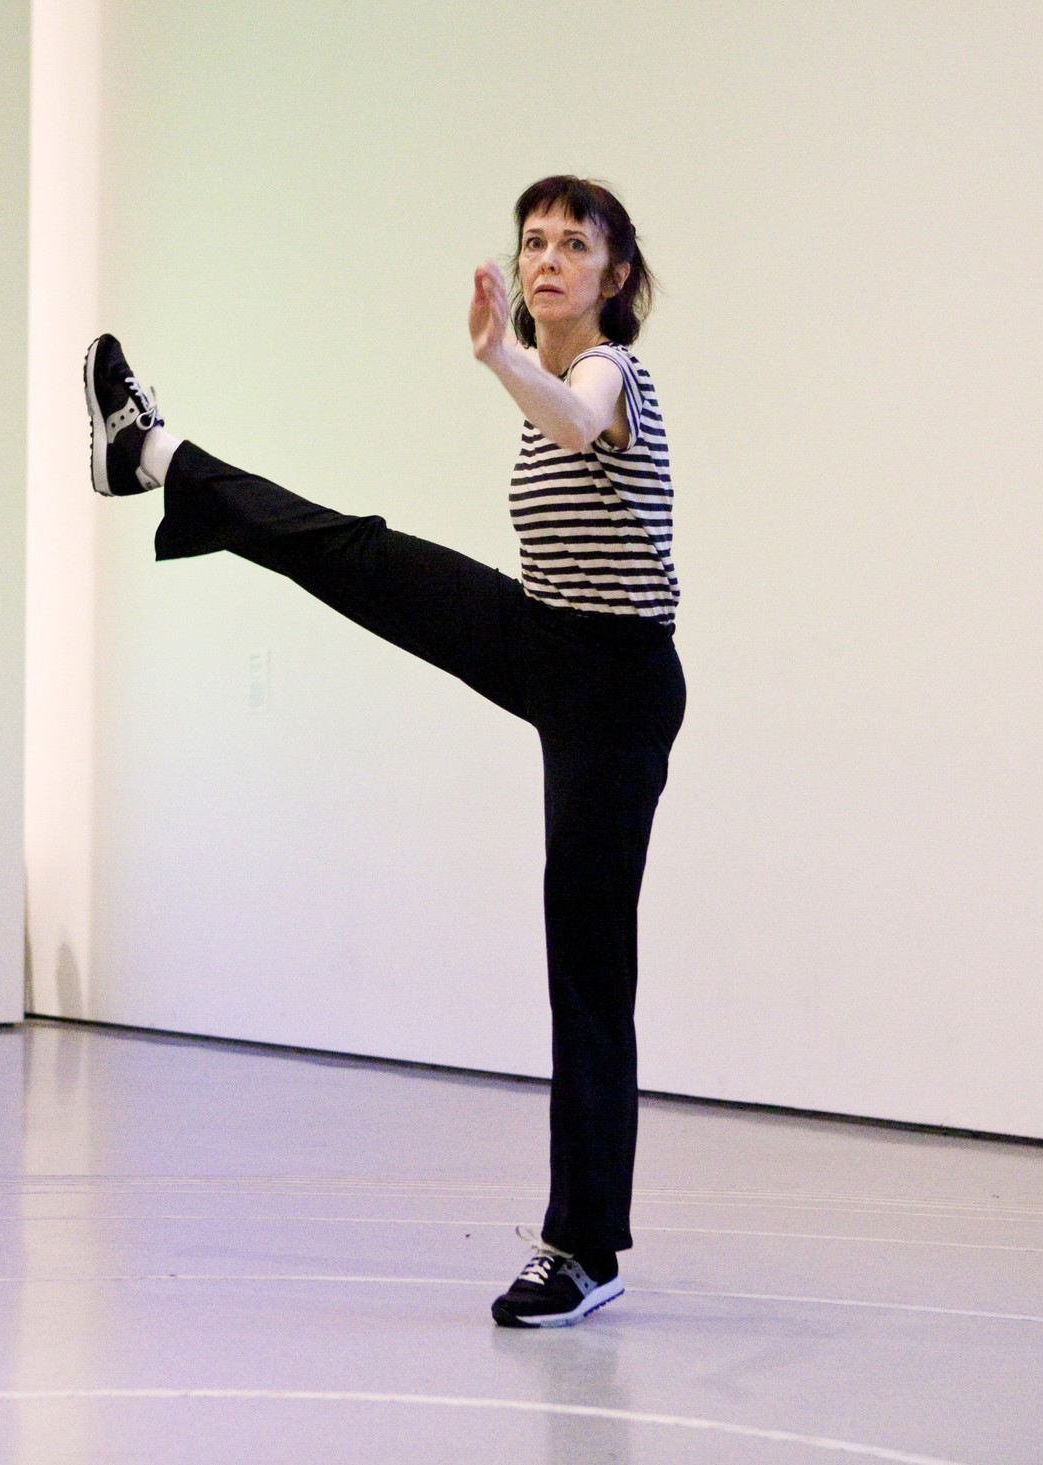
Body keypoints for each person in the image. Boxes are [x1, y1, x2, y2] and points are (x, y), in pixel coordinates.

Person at [83, 176, 684, 1327]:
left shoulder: (610, 377)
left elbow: (578, 415)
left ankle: (584, 1247)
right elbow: (550, 419)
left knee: (587, 962)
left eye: (573, 244)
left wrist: (497, 356)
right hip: (545, 637)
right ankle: (148, 452)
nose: (546, 258)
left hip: (617, 690)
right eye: (532, 241)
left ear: (613, 276)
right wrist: (509, 362)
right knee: (356, 553)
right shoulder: (543, 381)